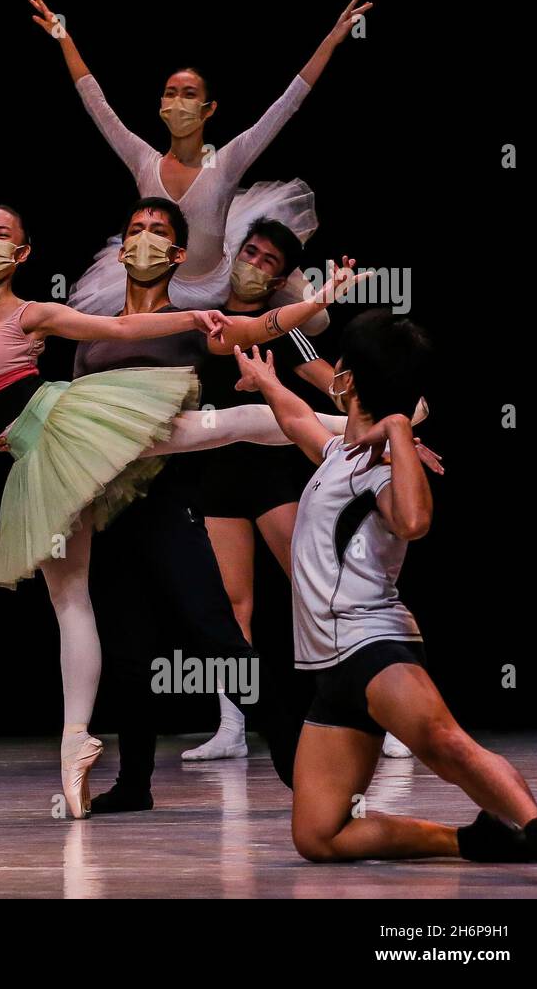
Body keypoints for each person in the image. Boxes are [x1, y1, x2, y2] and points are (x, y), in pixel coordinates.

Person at [0, 101, 348, 818]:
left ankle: (294, 753)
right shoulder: (86, 339)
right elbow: (47, 406)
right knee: (126, 640)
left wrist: (307, 308)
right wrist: (10, 434)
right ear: (119, 248)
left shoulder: (186, 322)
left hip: (168, 494)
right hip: (96, 488)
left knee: (212, 626)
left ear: (179, 253)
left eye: (159, 230)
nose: (144, 238)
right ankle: (135, 779)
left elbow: (252, 328)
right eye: (136, 229)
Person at [232, 313, 537, 884]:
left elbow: (412, 520)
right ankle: (472, 840)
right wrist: (265, 381)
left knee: (446, 745)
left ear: (347, 379)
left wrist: (400, 432)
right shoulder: (344, 453)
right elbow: (298, 422)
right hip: (333, 670)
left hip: (371, 645)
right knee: (319, 835)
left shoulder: (383, 464)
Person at [187, 219, 439, 763]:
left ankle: (393, 707)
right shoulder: (201, 317)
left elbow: (338, 386)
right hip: (217, 473)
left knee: (323, 577)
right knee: (232, 601)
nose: (254, 264)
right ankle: (232, 722)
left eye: (269, 261)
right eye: (249, 252)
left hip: (275, 471)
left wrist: (400, 423)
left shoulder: (283, 325)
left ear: (281, 277)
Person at [29, 0, 372, 323]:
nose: (178, 101)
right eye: (170, 93)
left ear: (209, 109)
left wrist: (331, 40)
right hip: (162, 283)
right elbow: (96, 104)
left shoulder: (226, 162)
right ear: (161, 105)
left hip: (216, 281)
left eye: (189, 94)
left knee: (317, 320)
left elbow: (285, 105)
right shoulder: (143, 160)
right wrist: (63, 38)